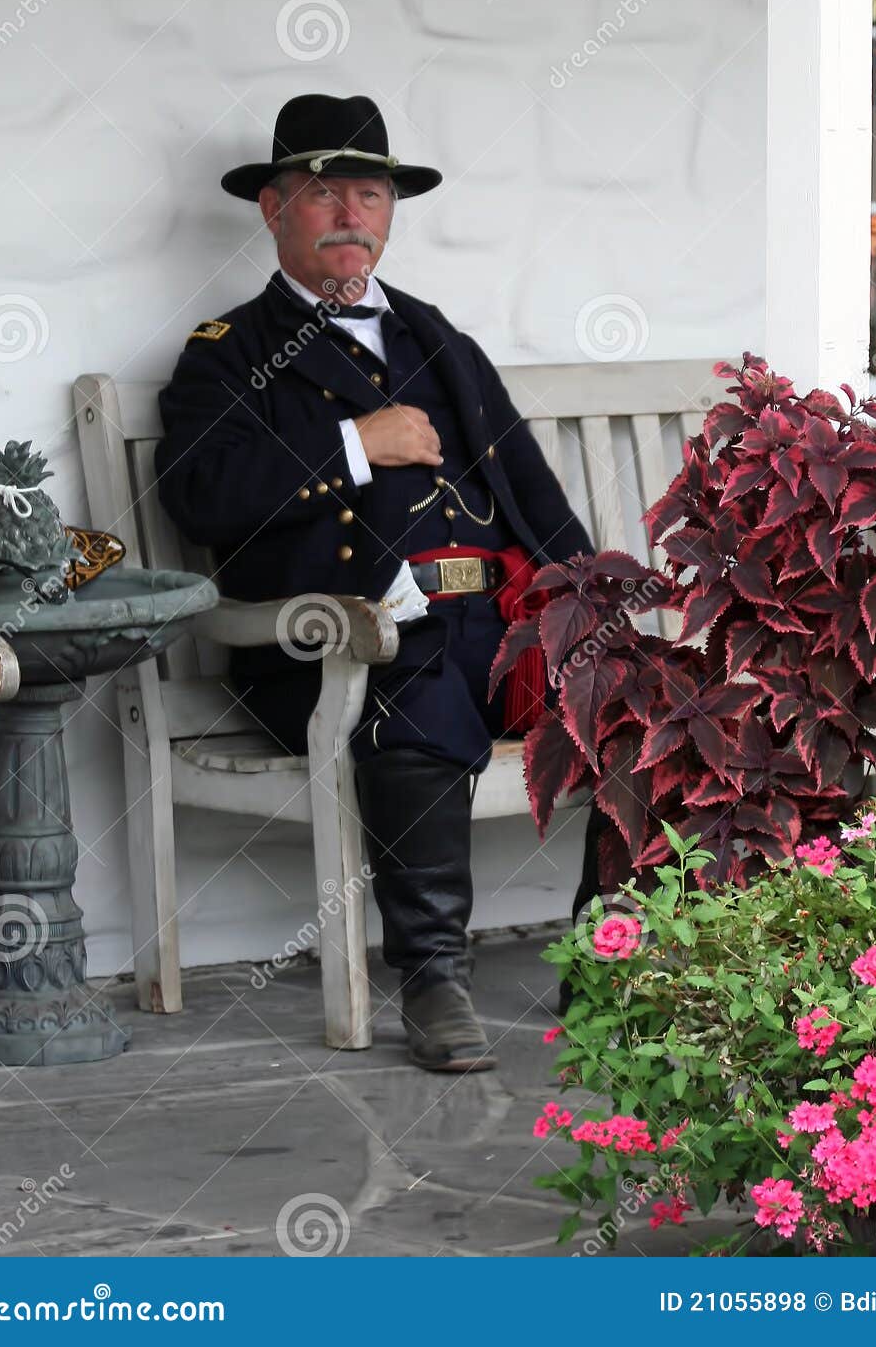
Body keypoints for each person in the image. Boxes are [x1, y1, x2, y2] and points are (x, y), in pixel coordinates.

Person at [154, 93, 595, 1073]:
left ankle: (615, 962)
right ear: (273, 209)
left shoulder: (441, 338)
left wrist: (591, 608)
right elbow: (202, 494)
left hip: (491, 630)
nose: (352, 212)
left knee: (646, 699)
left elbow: (531, 489)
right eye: (323, 193)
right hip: (325, 649)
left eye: (370, 191)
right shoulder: (228, 356)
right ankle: (434, 977)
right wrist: (355, 442)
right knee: (420, 684)